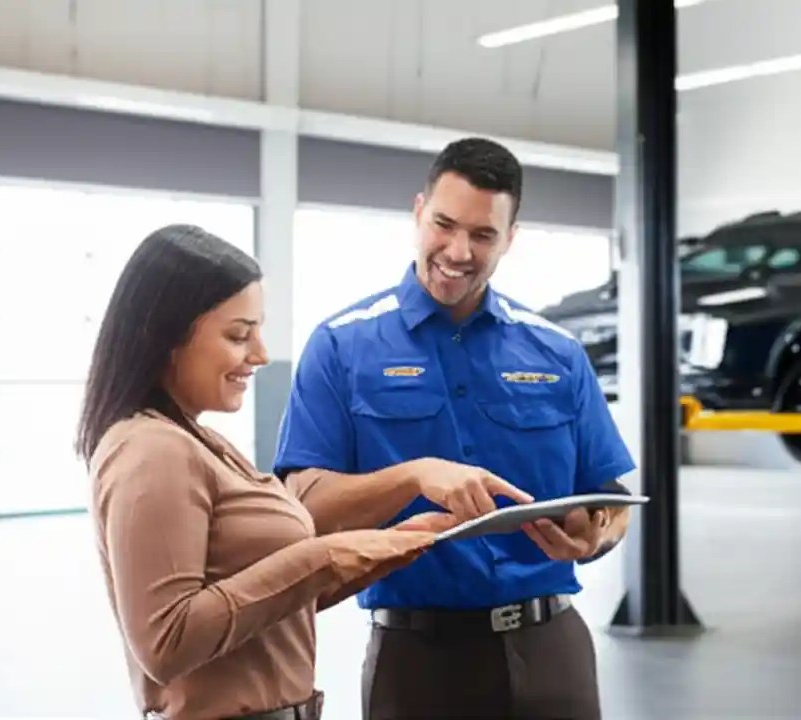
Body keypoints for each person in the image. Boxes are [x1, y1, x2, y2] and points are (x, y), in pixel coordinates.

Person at [273, 137, 638, 719]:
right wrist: (415, 476)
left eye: (483, 235)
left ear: (510, 238)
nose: (459, 251)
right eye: (444, 225)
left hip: (553, 650)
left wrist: (596, 537)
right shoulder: (340, 347)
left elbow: (611, 500)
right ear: (418, 212)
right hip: (418, 661)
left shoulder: (559, 353)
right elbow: (304, 506)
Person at [76, 225, 451, 720]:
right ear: (166, 336)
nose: (260, 355)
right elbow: (167, 640)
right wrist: (327, 555)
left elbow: (268, 604)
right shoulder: (152, 449)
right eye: (238, 335)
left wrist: (389, 547)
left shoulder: (197, 440)